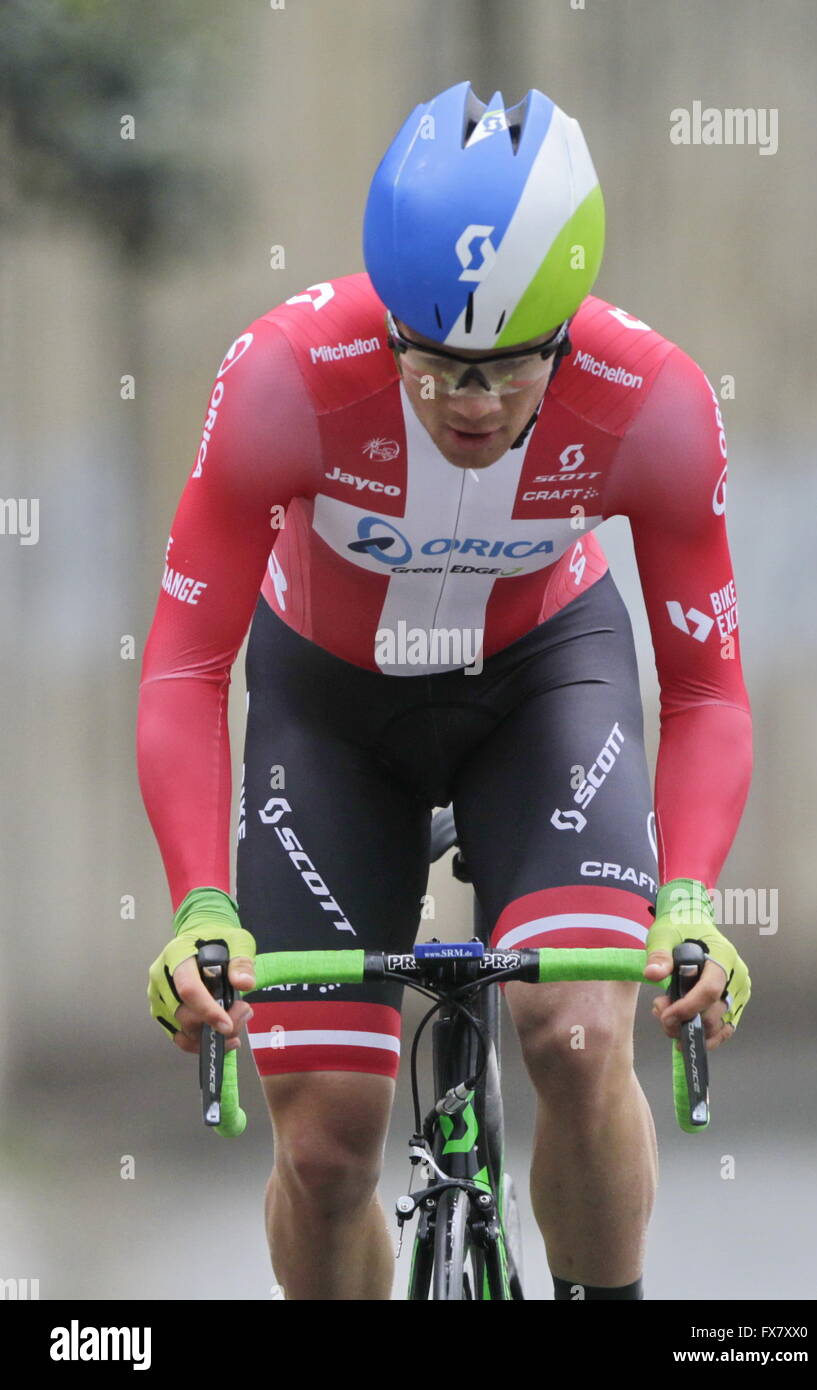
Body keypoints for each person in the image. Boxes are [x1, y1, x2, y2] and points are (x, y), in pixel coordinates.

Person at [139, 82, 752, 1301]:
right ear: (392, 325)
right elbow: (186, 662)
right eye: (435, 362)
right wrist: (199, 899)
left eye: (508, 370)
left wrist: (687, 898)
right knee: (323, 1150)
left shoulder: (655, 402)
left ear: (568, 331)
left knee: (577, 1036)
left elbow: (707, 687)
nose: (467, 402)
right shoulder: (286, 376)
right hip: (329, 712)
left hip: (543, 690)